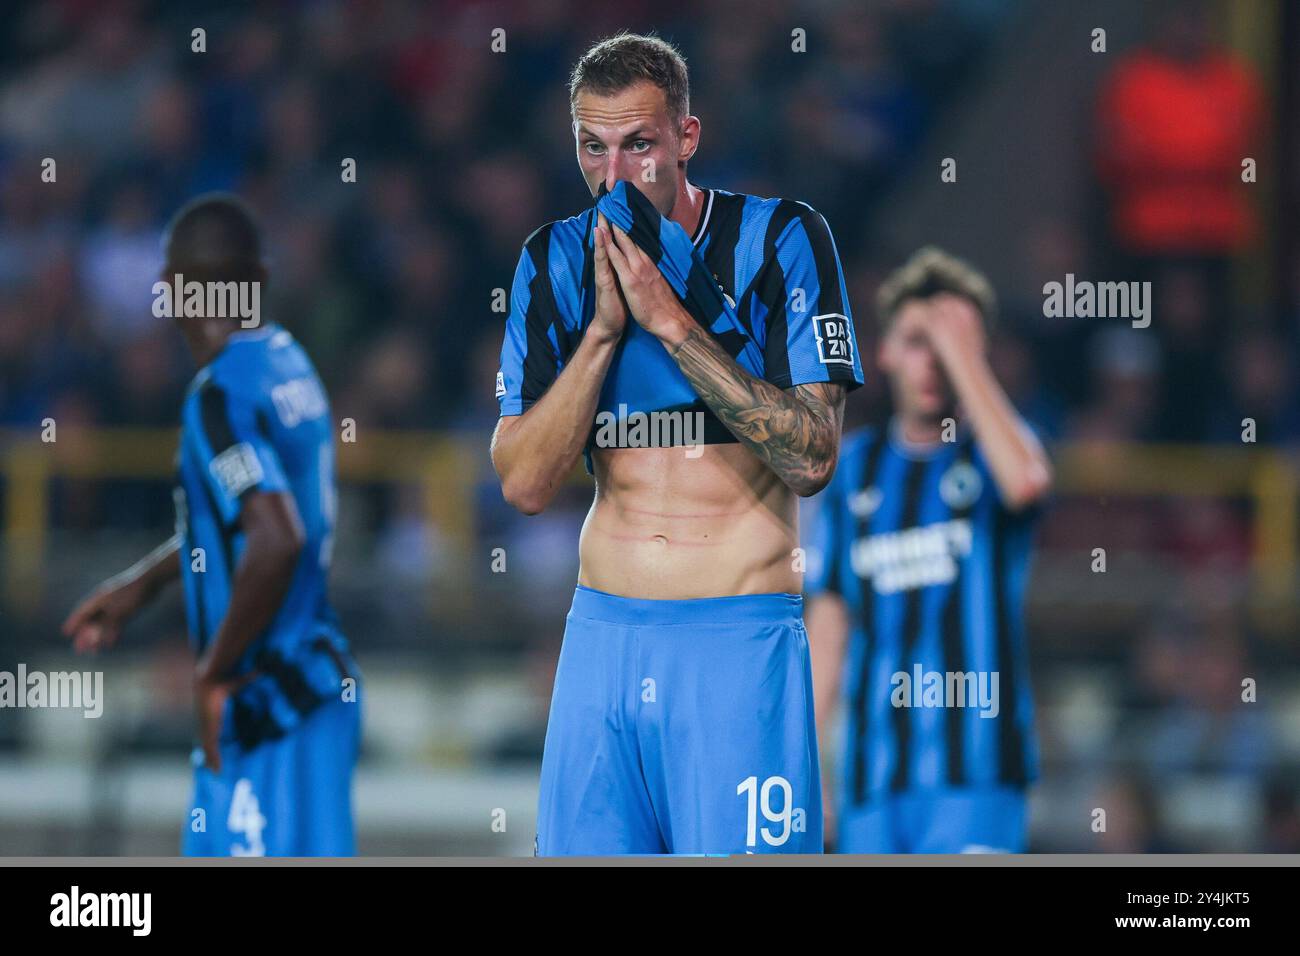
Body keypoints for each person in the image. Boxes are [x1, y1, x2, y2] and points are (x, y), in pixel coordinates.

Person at [491, 33, 864, 855]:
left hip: (735, 644)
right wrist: (600, 336)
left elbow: (810, 458)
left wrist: (669, 322)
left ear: (686, 139)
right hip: (601, 641)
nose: (615, 175)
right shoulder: (551, 262)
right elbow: (522, 482)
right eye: (594, 147)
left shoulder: (783, 240)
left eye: (639, 145)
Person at [63, 193, 360, 856]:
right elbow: (252, 519)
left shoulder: (217, 398)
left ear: (172, 291)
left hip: (261, 699)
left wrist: (214, 673)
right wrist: (145, 582)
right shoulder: (289, 363)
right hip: (318, 686)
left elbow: (276, 538)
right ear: (259, 280)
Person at [804, 247, 1051, 852]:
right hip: (872, 780)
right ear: (883, 351)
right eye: (918, 339)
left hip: (978, 778)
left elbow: (1028, 481)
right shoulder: (852, 472)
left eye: (951, 344)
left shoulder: (994, 461)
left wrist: (964, 356)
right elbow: (829, 627)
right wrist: (808, 768)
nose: (933, 360)